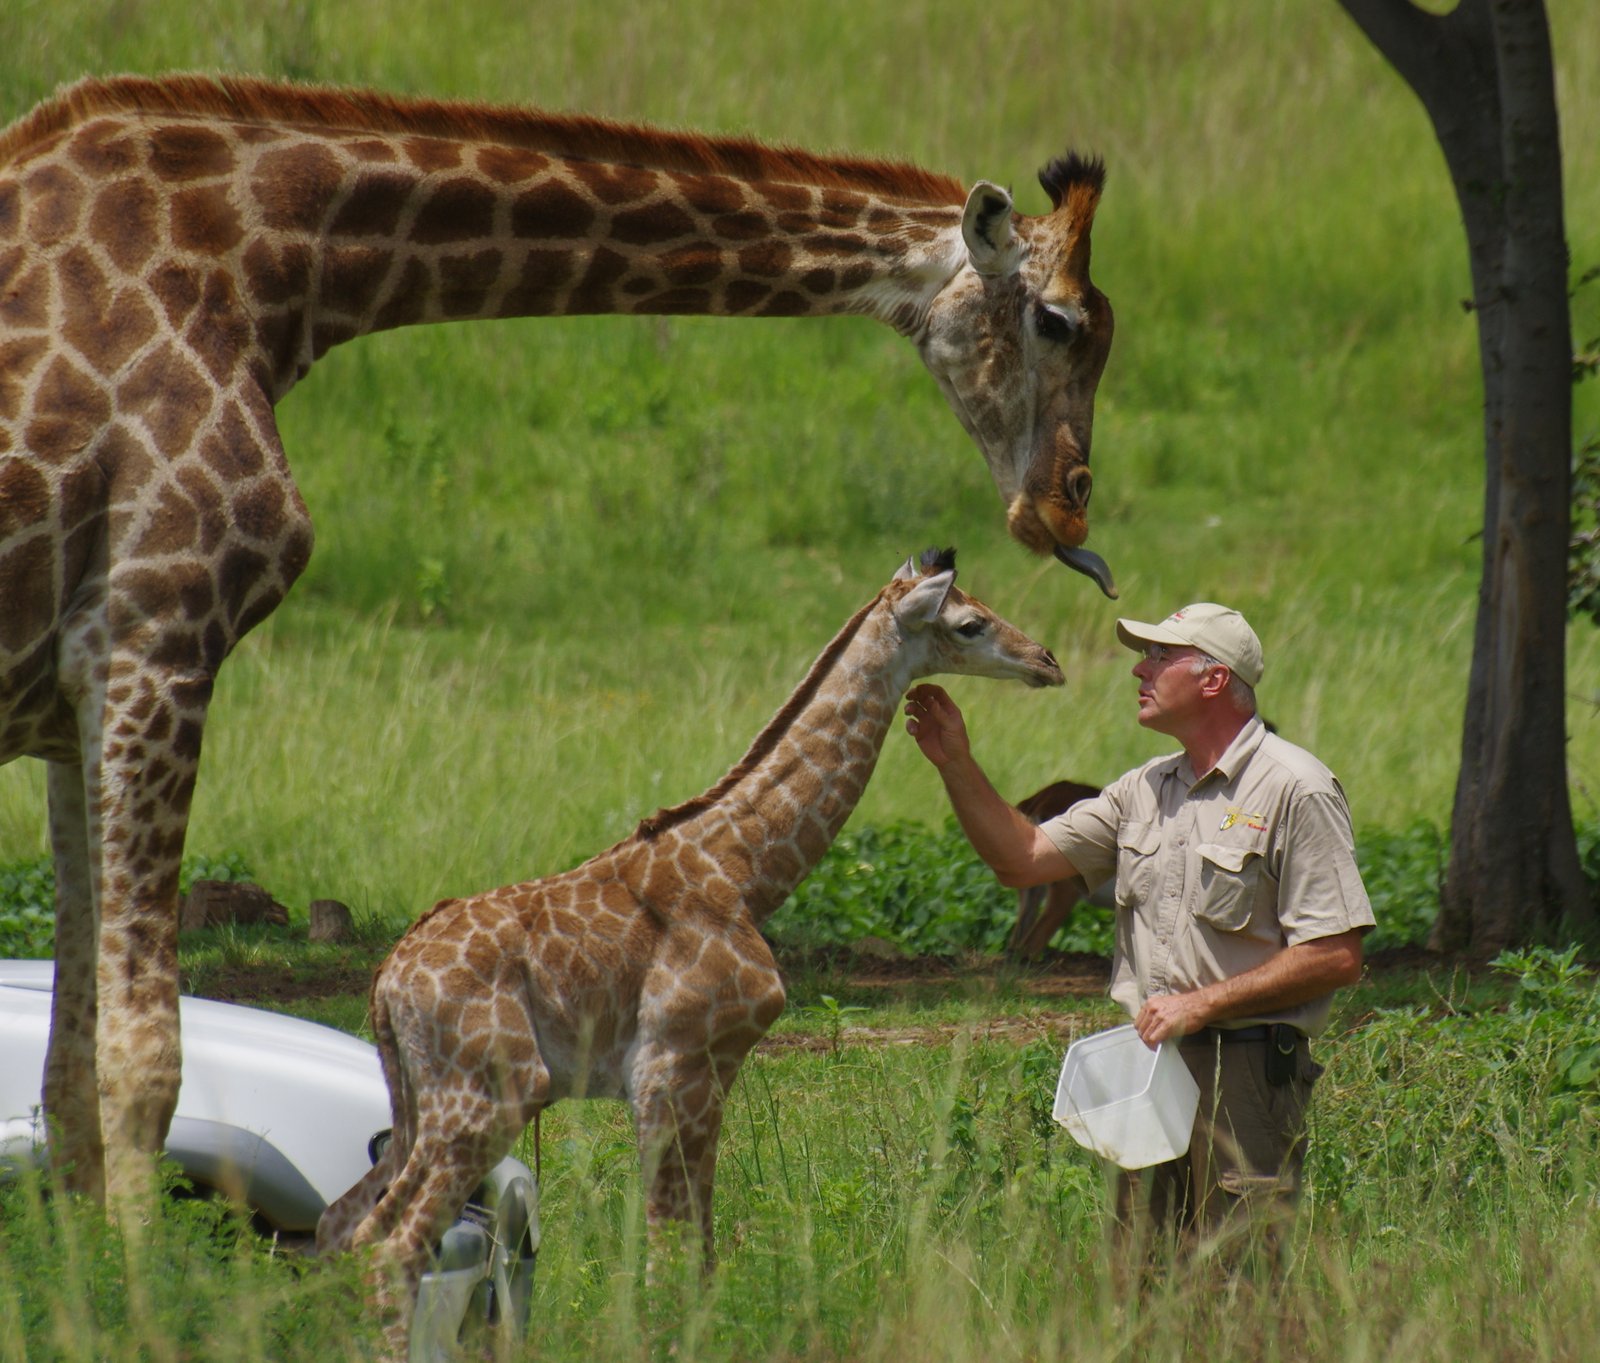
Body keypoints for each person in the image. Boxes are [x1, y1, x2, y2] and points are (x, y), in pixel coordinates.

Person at [904, 602, 1373, 1270]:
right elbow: (1023, 858)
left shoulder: (1296, 787)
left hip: (1243, 1074)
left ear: (1214, 679)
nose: (1138, 668)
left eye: (1160, 656)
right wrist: (956, 762)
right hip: (1151, 1071)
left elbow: (1336, 955)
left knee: (1236, 1288)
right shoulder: (1144, 789)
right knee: (1141, 1286)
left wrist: (1200, 1003)